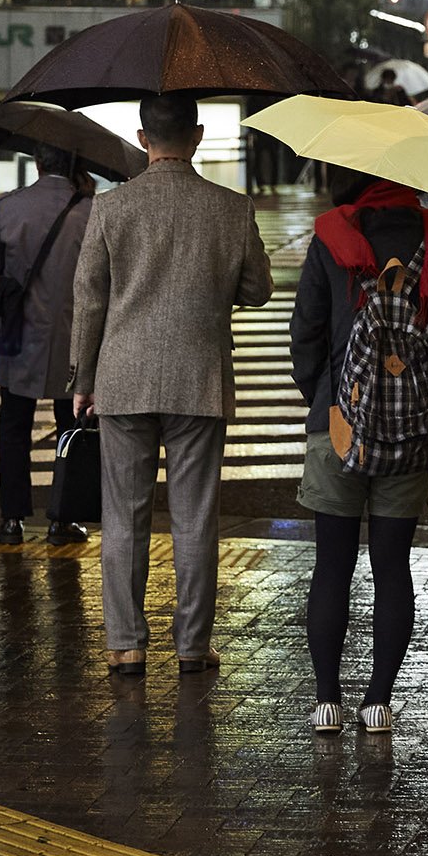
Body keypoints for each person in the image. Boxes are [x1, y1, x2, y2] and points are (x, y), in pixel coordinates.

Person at [72, 94, 273, 676]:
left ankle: (126, 643)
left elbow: (89, 300)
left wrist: (82, 379)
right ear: (199, 135)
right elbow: (257, 289)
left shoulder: (111, 209)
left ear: (141, 138)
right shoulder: (232, 209)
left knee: (124, 516)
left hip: (123, 377)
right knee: (195, 517)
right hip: (198, 377)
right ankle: (192, 645)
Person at [291, 169, 428, 732]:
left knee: (332, 566)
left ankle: (326, 700)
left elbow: (305, 333)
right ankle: (379, 702)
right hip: (410, 426)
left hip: (338, 421)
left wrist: (323, 396)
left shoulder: (332, 235)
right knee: (392, 566)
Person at [0, 143, 92, 546]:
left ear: (38, 163)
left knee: (13, 426)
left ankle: (12, 519)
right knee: (71, 429)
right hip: (73, 337)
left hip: (18, 334)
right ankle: (63, 519)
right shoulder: (90, 211)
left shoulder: (11, 206)